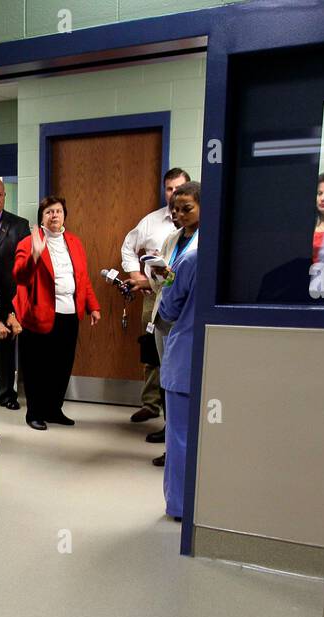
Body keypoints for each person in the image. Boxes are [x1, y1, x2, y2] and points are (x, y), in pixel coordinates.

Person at [12, 196, 100, 431]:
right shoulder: (29, 242)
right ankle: (34, 413)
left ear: (64, 215)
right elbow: (19, 277)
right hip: (39, 314)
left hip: (70, 313)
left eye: (58, 211)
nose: (54, 215)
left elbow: (82, 277)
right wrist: (35, 255)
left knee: (62, 365)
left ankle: (53, 409)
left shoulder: (74, 241)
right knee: (36, 367)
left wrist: (93, 306)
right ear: (41, 217)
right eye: (49, 211)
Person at [120, 168, 191, 432]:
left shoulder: (191, 229)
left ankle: (172, 418)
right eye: (170, 189)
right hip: (155, 295)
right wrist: (136, 275)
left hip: (183, 301)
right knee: (152, 350)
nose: (174, 195)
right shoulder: (152, 221)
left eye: (179, 189)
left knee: (176, 357)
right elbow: (128, 247)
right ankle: (151, 403)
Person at [153, 181, 201, 521]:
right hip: (212, 357)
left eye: (187, 208)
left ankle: (180, 507)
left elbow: (168, 309)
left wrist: (167, 279)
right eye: (175, 208)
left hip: (185, 353)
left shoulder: (192, 258)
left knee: (181, 436)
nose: (179, 214)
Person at [0, 177, 29, 409]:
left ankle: (6, 394)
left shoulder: (19, 225)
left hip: (6, 295)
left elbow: (24, 266)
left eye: (0, 195)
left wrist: (14, 306)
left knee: (5, 345)